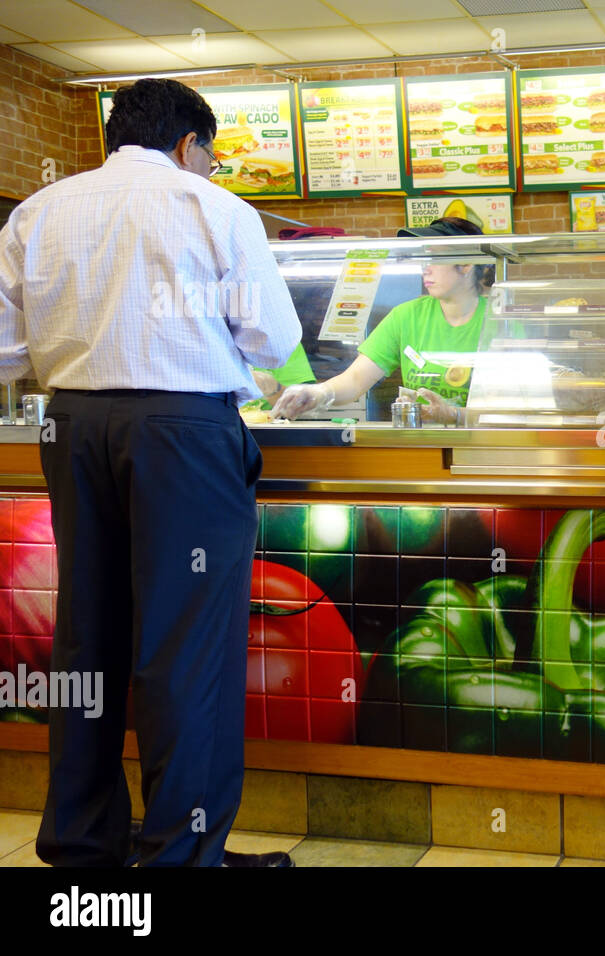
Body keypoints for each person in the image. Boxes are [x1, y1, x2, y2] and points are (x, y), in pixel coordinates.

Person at [0, 78, 302, 866]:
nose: (209, 167)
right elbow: (271, 338)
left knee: (86, 637)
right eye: (210, 154)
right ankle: (178, 852)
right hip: (182, 433)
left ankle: (82, 844)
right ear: (187, 145)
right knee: (186, 648)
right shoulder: (215, 209)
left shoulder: (38, 211)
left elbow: (5, 350)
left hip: (72, 425)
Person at [272, 217, 493, 424]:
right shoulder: (407, 316)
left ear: (466, 264)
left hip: (484, 450)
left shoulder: (499, 320)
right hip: (426, 448)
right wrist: (320, 392)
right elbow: (357, 379)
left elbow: (515, 409)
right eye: (423, 257)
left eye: (434, 257)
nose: (425, 267)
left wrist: (453, 415)